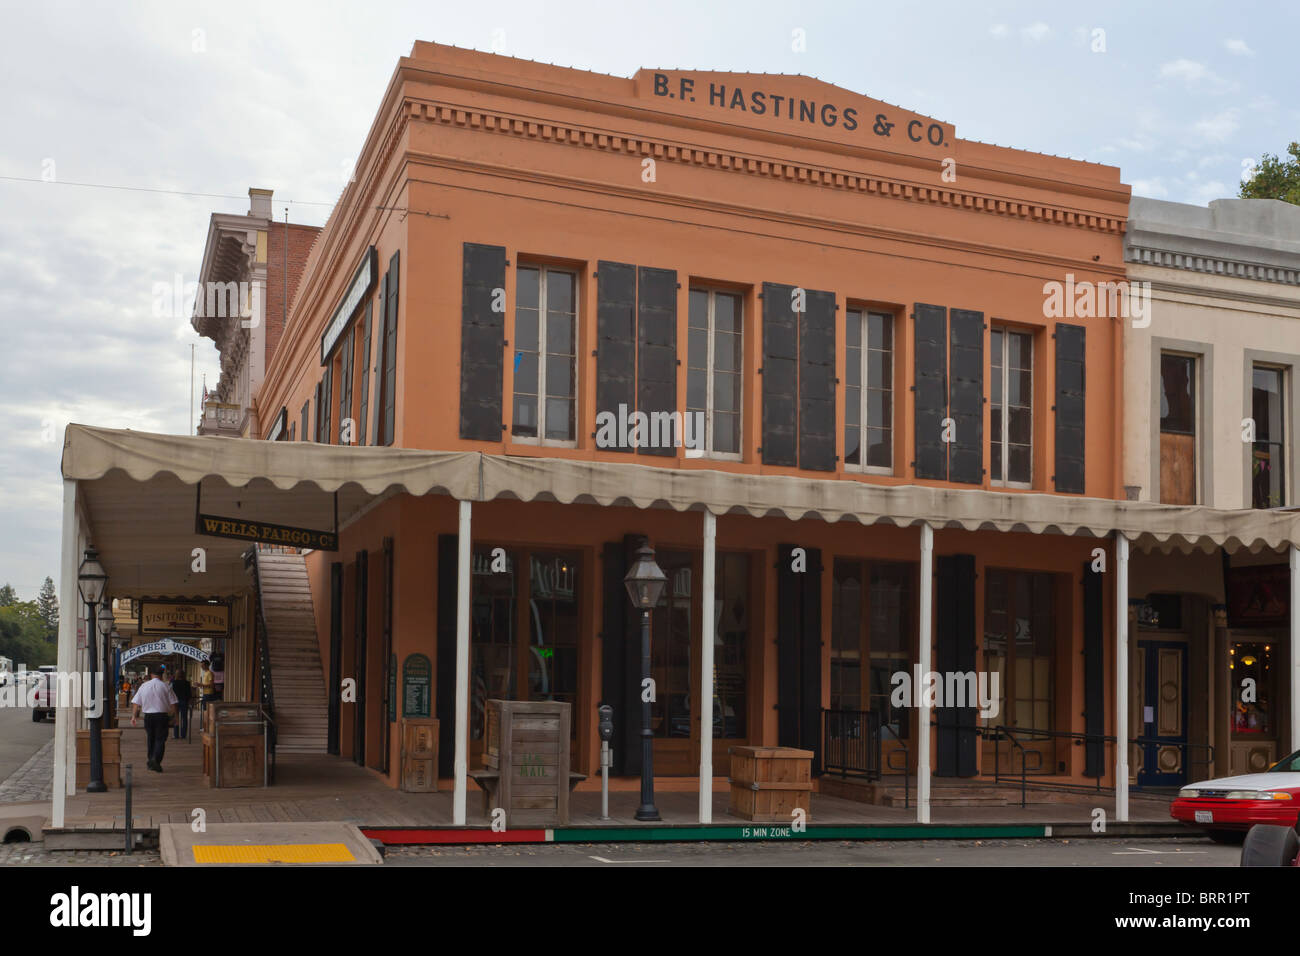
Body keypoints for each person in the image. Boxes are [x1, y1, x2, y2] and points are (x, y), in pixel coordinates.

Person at [130, 664, 178, 772]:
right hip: (161, 716)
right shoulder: (166, 686)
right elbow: (174, 703)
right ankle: (156, 760)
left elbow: (136, 703)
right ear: (161, 675)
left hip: (149, 717)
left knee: (150, 738)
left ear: (151, 675)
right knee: (160, 739)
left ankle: (151, 760)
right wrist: (176, 718)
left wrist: (134, 716)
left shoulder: (144, 686)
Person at [171, 668, 192, 740]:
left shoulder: (174, 682)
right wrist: (189, 701)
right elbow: (189, 694)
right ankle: (183, 735)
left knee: (176, 717)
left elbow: (171, 693)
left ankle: (176, 735)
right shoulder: (187, 683)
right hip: (184, 701)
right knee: (184, 718)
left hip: (175, 702)